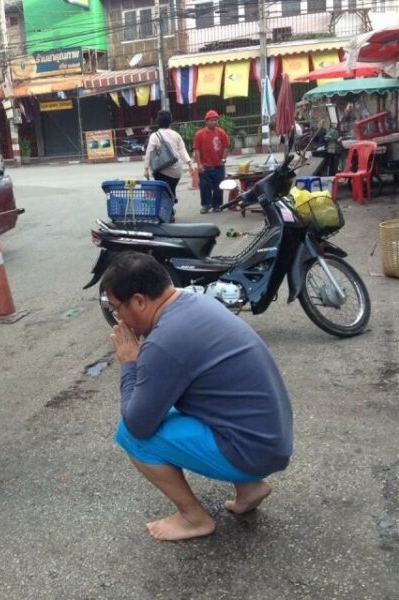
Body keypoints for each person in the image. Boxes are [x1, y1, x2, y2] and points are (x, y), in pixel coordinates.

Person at [101, 252, 293, 541]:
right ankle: (250, 487)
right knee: (177, 406)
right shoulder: (195, 301)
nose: (118, 319)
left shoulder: (163, 342)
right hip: (270, 439)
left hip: (251, 450)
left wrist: (129, 363)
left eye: (118, 309)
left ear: (139, 301)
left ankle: (194, 519)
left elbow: (138, 424)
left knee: (131, 435)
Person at [144, 110, 193, 216]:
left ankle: (168, 210)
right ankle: (171, 203)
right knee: (171, 189)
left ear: (158, 122)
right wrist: (189, 164)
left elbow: (149, 153)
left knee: (163, 191)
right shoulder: (176, 135)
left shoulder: (154, 136)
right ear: (170, 121)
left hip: (161, 171)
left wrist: (146, 169)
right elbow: (183, 150)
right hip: (176, 172)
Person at [193, 110, 230, 214]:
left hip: (218, 165)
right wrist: (199, 165)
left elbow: (226, 146)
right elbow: (197, 150)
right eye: (212, 120)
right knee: (205, 186)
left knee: (219, 186)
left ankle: (217, 205)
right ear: (207, 121)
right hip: (205, 166)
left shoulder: (221, 132)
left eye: (216, 120)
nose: (215, 122)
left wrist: (223, 159)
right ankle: (205, 205)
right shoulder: (199, 134)